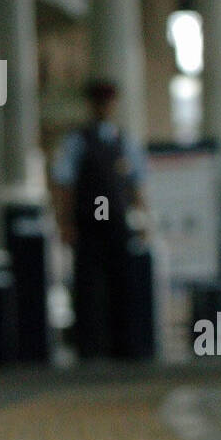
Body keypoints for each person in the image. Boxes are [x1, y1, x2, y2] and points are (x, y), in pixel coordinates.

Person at [50, 79, 147, 359]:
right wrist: (64, 222)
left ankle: (124, 345)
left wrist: (142, 220)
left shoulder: (124, 140)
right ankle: (90, 346)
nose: (105, 107)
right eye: (101, 102)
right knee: (88, 286)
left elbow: (137, 184)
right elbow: (64, 184)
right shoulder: (77, 141)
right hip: (88, 224)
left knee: (123, 284)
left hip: (117, 222)